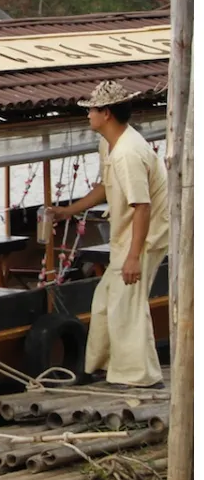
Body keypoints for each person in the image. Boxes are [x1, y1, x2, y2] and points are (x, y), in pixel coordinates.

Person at [48, 80, 169, 389]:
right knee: (105, 298)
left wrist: (133, 257)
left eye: (92, 110)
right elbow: (104, 186)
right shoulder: (110, 143)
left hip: (147, 231)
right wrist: (68, 211)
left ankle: (139, 375)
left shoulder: (129, 152)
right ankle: (100, 366)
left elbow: (142, 207)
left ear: (107, 114)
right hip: (127, 228)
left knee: (126, 301)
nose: (88, 115)